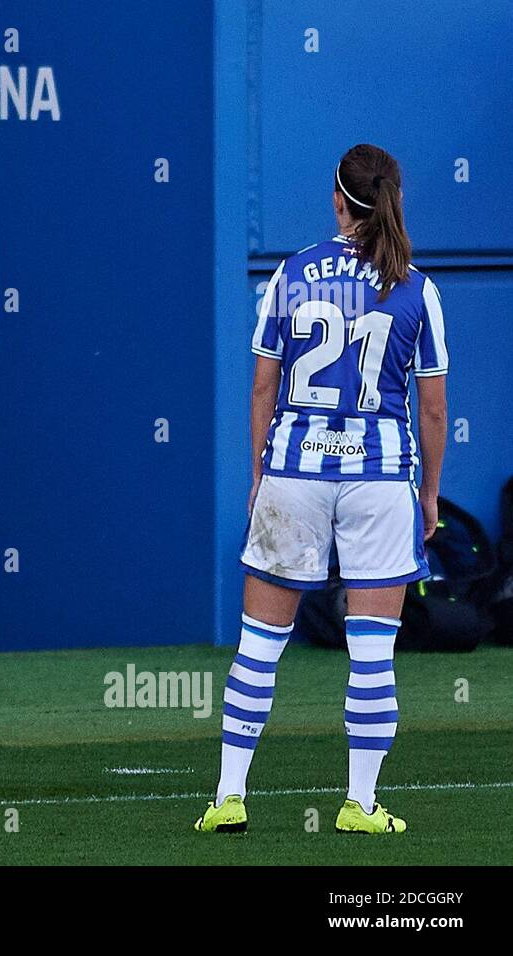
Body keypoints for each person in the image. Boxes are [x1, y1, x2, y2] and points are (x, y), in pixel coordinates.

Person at [195, 143, 448, 836]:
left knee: (258, 645)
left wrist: (259, 474)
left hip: (294, 475)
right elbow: (431, 410)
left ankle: (228, 797)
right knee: (371, 651)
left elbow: (262, 384)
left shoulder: (293, 270)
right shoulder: (417, 287)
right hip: (377, 478)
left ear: (337, 200)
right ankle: (360, 805)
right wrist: (429, 495)